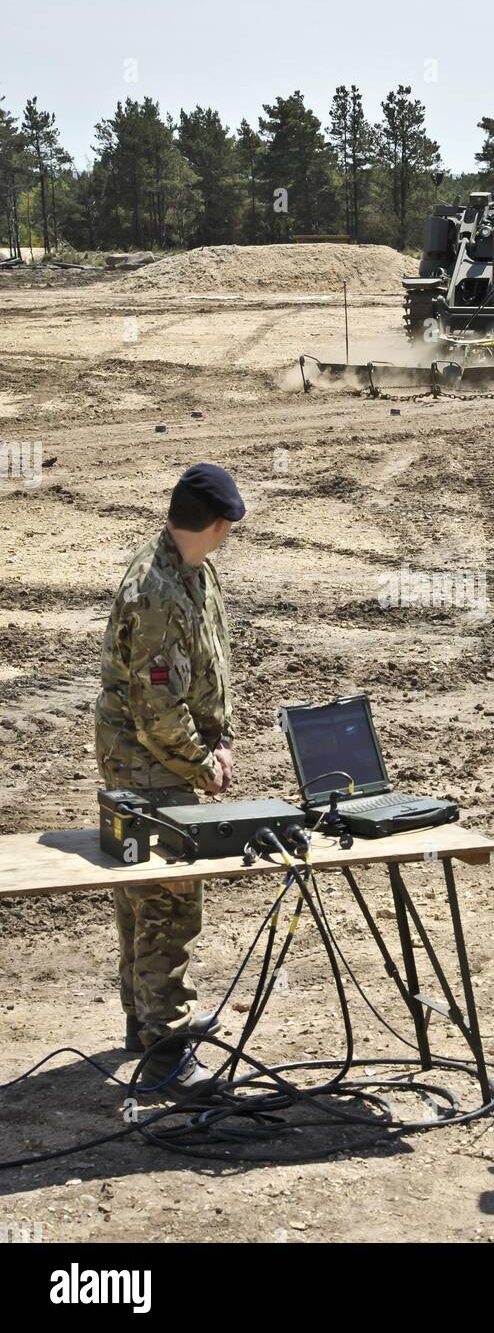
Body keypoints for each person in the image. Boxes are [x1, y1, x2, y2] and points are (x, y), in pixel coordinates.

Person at [95, 463, 245, 1099]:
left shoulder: (194, 574)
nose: (231, 534)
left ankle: (145, 1023)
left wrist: (223, 738)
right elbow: (157, 711)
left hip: (166, 763)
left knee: (141, 900)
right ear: (213, 524)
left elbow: (209, 667)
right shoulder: (156, 593)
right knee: (166, 905)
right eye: (229, 525)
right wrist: (203, 763)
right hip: (150, 769)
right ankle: (168, 1051)